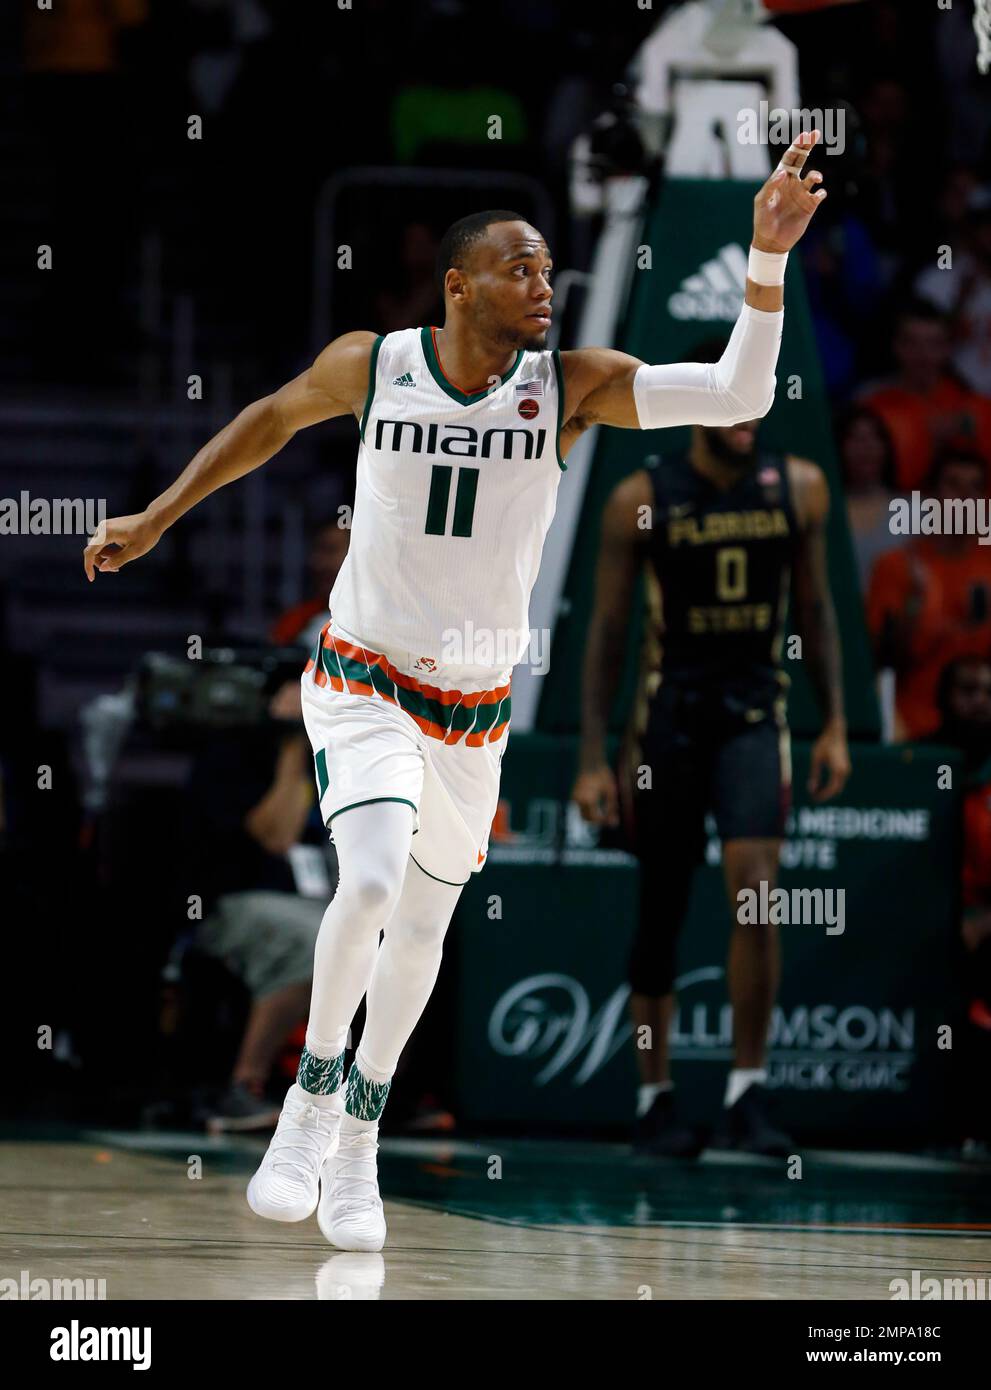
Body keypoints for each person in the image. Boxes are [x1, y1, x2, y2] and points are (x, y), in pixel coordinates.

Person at [84, 130, 828, 1252]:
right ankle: (305, 1100)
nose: (541, 286)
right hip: (364, 677)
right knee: (372, 880)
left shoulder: (568, 387)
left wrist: (765, 259)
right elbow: (267, 423)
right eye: (519, 269)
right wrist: (155, 517)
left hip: (471, 708)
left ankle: (358, 1140)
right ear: (458, 285)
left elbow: (734, 385)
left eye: (545, 270)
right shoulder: (373, 362)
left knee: (425, 922)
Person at [572, 389, 850, 1159]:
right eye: (732, 406)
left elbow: (816, 611)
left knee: (757, 894)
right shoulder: (641, 497)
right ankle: (653, 1098)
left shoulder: (797, 486)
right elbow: (607, 631)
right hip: (669, 719)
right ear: (696, 405)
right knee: (659, 907)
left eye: (755, 407)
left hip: (755, 714)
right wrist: (592, 755)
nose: (746, 421)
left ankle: (745, 1091)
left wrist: (832, 723)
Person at [186, 678, 336, 1133]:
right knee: (316, 940)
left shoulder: (346, 748)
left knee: (399, 939)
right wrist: (294, 749)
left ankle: (378, 1094)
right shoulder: (233, 751)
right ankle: (243, 1086)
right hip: (237, 901)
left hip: (321, 895)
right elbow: (277, 836)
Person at [866, 445, 991, 739]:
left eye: (975, 487)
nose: (964, 497)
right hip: (914, 728)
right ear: (930, 497)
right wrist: (914, 605)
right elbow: (879, 663)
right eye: (953, 484)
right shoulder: (897, 566)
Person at [857, 300, 991, 491]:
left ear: (947, 349)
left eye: (933, 344)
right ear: (896, 346)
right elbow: (867, 489)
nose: (923, 354)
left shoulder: (978, 408)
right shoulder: (874, 411)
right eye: (912, 343)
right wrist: (929, 443)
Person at [837, 404, 904, 590]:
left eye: (873, 438)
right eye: (856, 438)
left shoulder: (915, 510)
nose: (865, 448)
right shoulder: (826, 510)